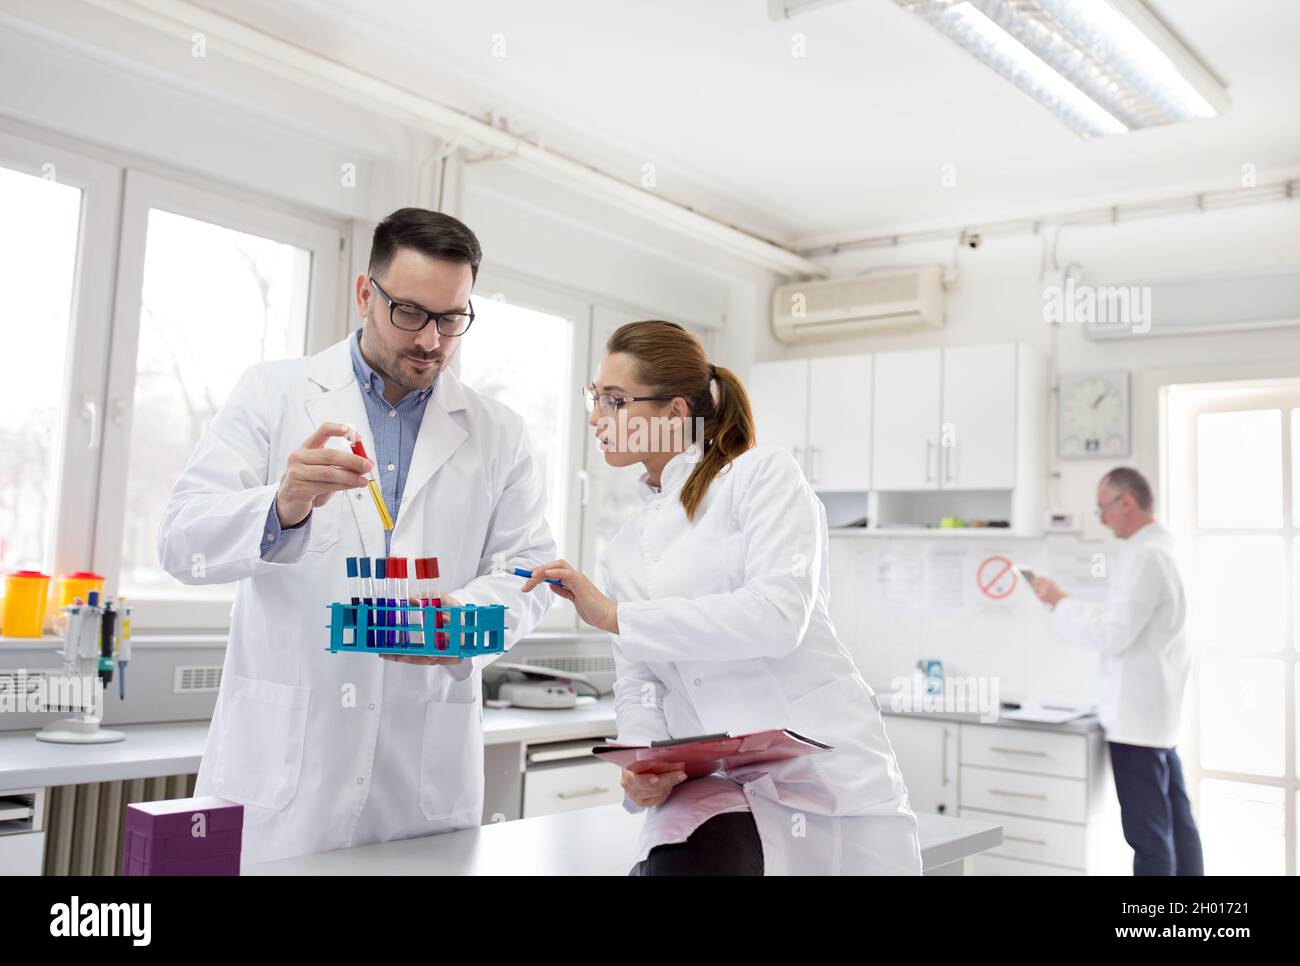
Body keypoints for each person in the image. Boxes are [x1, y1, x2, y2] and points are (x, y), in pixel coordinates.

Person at [157, 208, 555, 863]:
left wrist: (462, 624)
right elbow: (179, 543)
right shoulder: (273, 394)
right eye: (410, 313)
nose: (431, 340)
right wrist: (281, 506)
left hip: (421, 785)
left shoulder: (497, 432)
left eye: (451, 318)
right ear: (366, 292)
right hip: (285, 776)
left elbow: (529, 569)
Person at [521, 320, 921, 875]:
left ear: (675, 414)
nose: (596, 418)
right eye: (596, 398)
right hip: (725, 794)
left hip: (830, 785)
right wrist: (643, 760)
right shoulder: (624, 550)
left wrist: (615, 615)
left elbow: (778, 617)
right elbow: (641, 683)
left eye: (614, 401)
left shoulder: (761, 477)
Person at [1033, 467, 1202, 875]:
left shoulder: (1146, 556)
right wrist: (1071, 604)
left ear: (1126, 502)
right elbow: (1124, 626)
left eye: (1102, 507)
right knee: (1178, 829)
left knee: (1149, 839)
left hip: (1136, 722)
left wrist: (1060, 601)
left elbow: (1113, 636)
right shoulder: (1161, 550)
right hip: (1156, 718)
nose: (1101, 517)